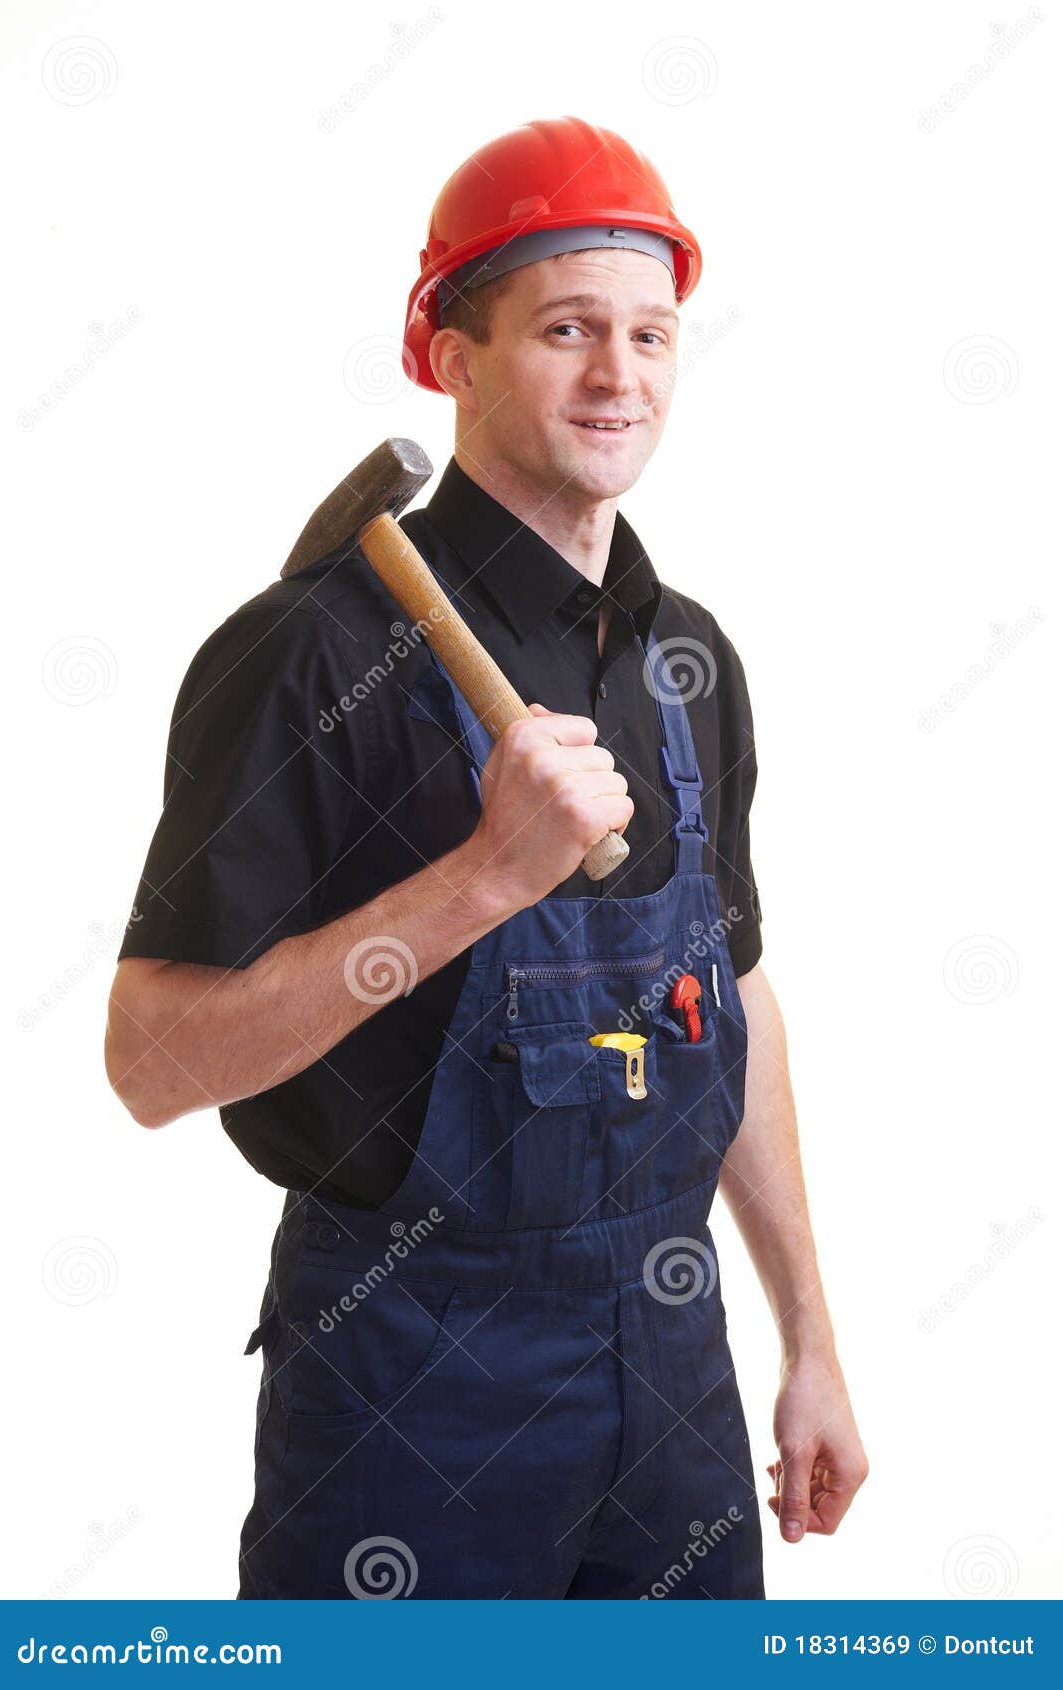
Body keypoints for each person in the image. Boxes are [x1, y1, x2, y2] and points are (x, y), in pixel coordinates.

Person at [105, 116, 868, 1600]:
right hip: (410, 1386)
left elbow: (735, 995)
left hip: (674, 1378)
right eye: (566, 328)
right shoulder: (309, 654)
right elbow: (150, 1062)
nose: (618, 376)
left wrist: (811, 1342)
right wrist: (481, 879)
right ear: (447, 355)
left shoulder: (684, 661)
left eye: (651, 334)